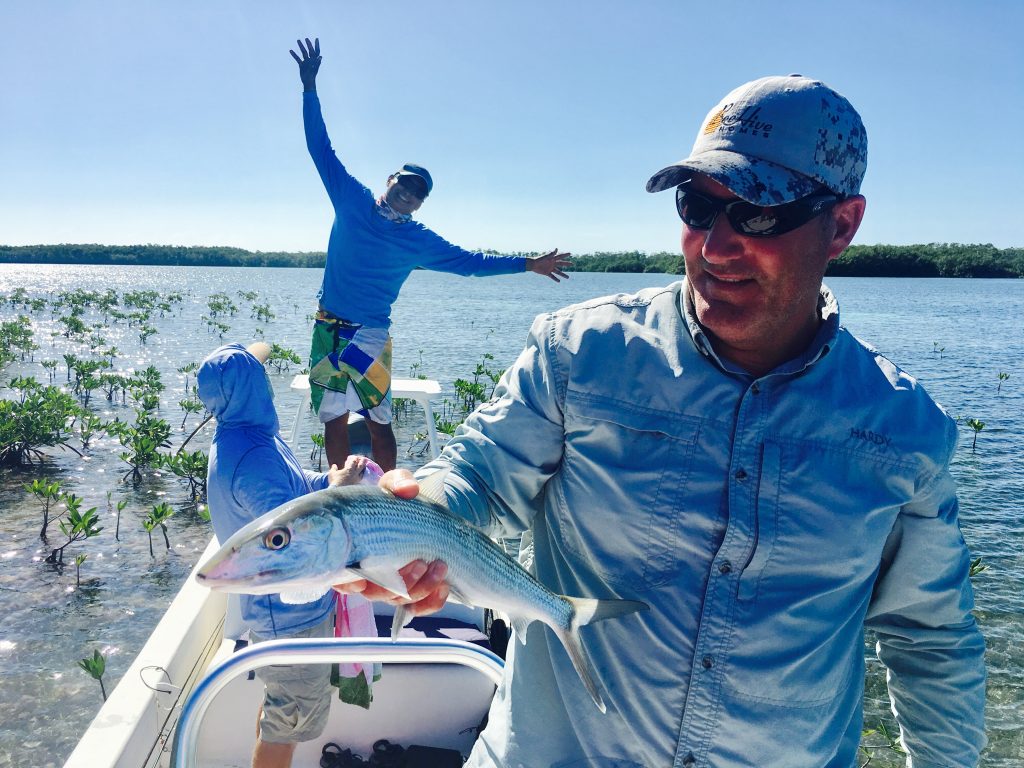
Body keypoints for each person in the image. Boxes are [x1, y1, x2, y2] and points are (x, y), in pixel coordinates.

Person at [360, 75, 988, 767]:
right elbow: (476, 477)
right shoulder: (580, 353)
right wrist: (414, 520)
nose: (715, 247)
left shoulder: (902, 429)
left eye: (759, 213)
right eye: (698, 206)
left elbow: (932, 640)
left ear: (842, 225)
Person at [289, 37, 572, 473]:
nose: (408, 194)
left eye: (418, 194)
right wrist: (309, 88)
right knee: (333, 417)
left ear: (421, 204)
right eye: (405, 185)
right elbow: (319, 147)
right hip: (327, 328)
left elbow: (472, 264)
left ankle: (386, 492)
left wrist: (528, 264)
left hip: (368, 336)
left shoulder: (419, 240)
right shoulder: (351, 199)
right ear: (390, 180)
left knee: (379, 419)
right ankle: (339, 491)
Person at [198, 341, 371, 768]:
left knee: (280, 711)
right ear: (252, 388)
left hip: (285, 610)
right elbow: (296, 536)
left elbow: (293, 494)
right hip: (290, 615)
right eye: (260, 376)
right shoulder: (253, 458)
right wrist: (342, 490)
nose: (268, 385)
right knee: (289, 722)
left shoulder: (246, 436)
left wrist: (328, 479)